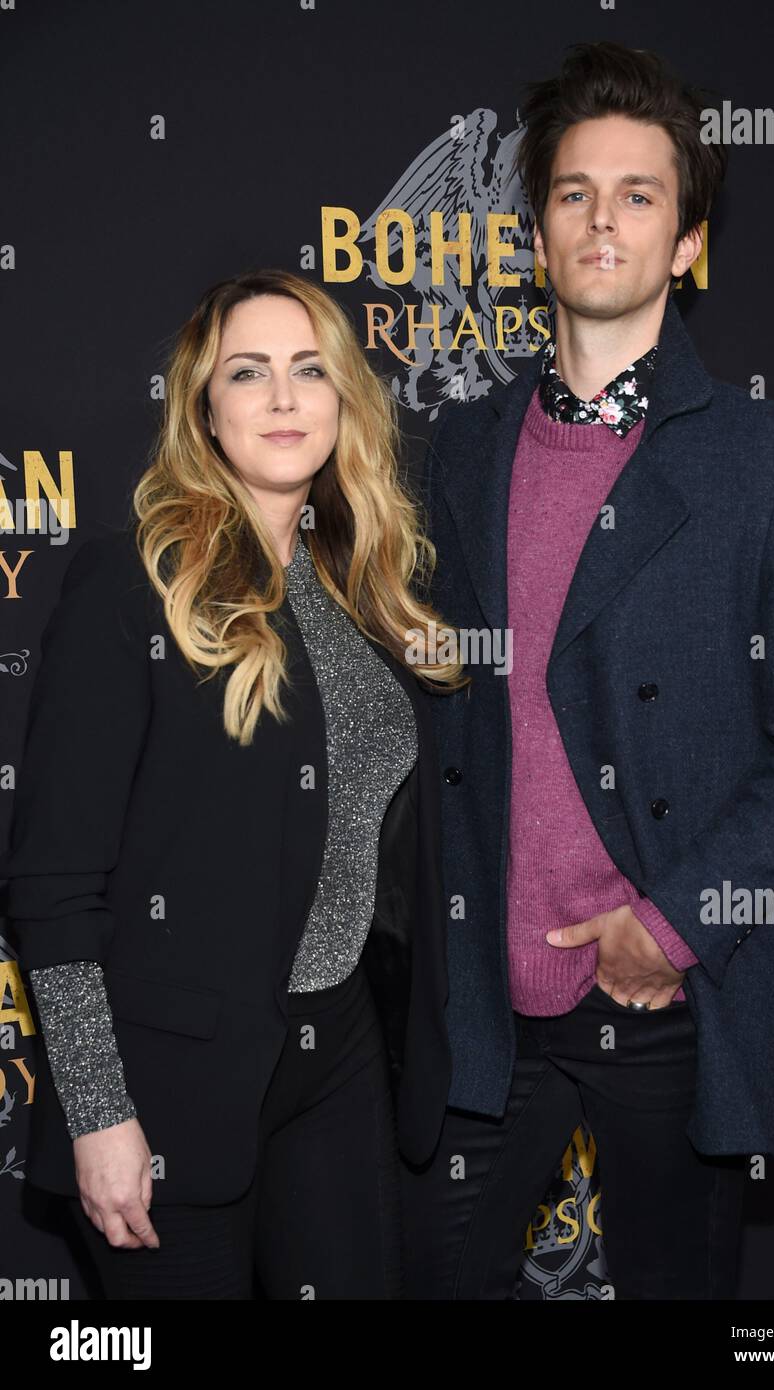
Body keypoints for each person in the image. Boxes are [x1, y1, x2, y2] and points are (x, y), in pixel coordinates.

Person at [400, 40, 774, 1299]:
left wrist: (670, 929)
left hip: (669, 998)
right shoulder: (457, 450)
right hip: (483, 1013)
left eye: (638, 194)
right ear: (538, 234)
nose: (601, 220)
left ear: (684, 243)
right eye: (572, 193)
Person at [0, 268, 461, 1299]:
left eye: (310, 370)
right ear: (203, 413)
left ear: (346, 397)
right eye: (248, 374)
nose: (285, 399)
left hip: (337, 1056)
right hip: (171, 1080)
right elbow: (53, 885)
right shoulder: (134, 582)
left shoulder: (363, 587)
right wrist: (97, 1111)